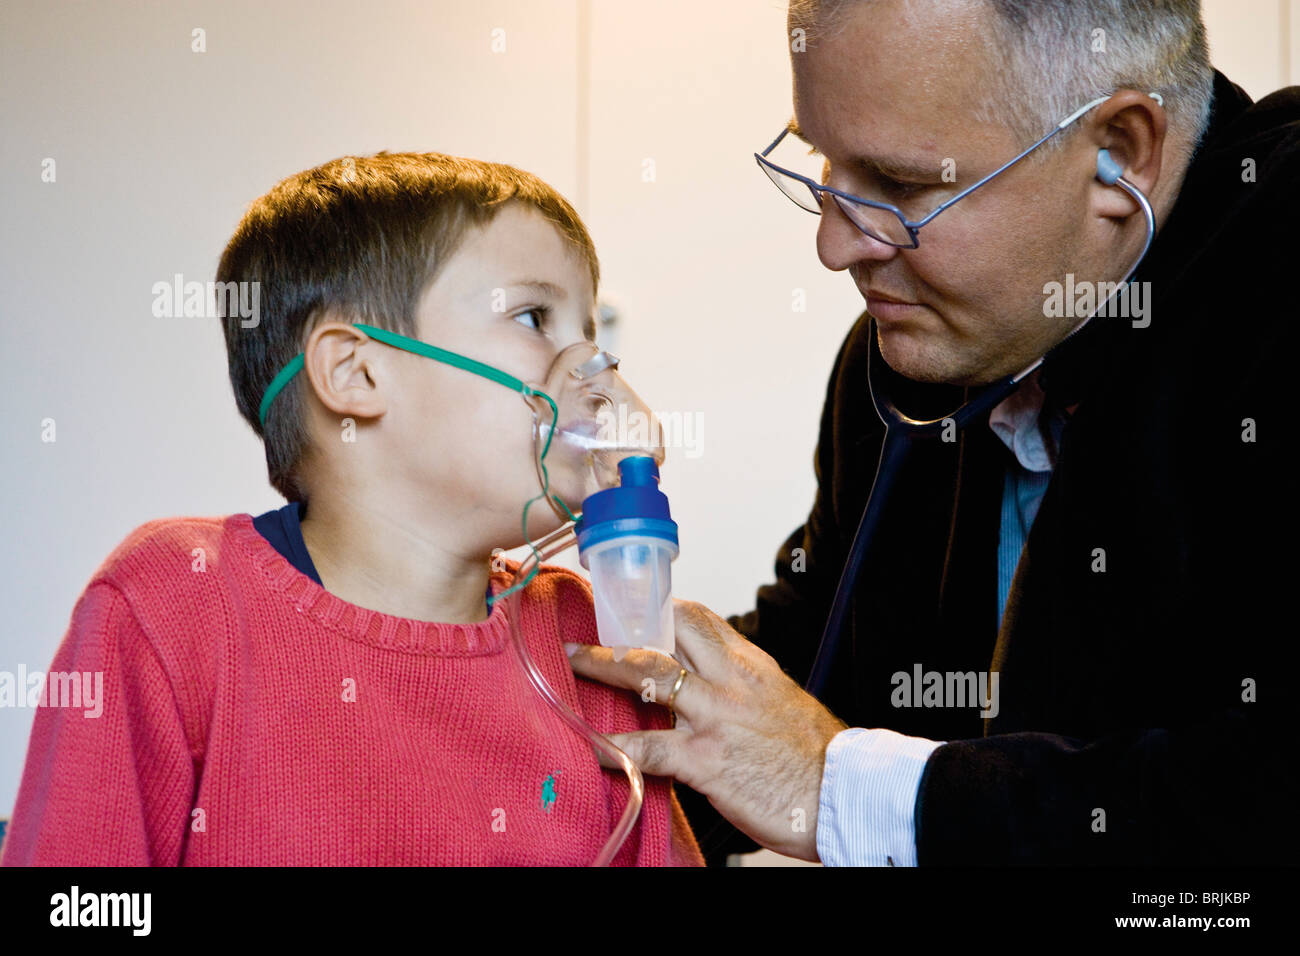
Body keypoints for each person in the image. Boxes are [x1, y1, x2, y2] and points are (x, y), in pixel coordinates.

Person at [567, 0, 1300, 865]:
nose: (834, 248)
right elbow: (813, 658)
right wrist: (533, 718)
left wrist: (833, 784)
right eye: (823, 163)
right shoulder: (915, 354)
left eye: (904, 186)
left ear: (1120, 153)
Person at [1, 152, 704, 866]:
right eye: (534, 317)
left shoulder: (583, 640)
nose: (595, 371)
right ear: (356, 372)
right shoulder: (177, 604)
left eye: (591, 333)